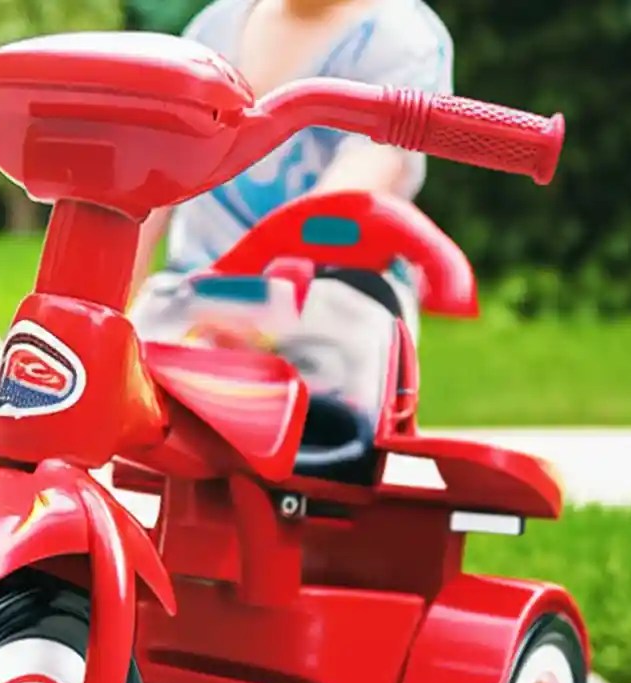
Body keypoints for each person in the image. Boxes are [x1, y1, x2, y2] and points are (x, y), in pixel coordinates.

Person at [128, 0, 453, 437]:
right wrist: (106, 308)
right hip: (191, 302)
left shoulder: (402, 39)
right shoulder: (213, 31)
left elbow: (360, 179)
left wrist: (258, 299)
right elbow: (149, 189)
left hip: (328, 306)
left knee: (316, 460)